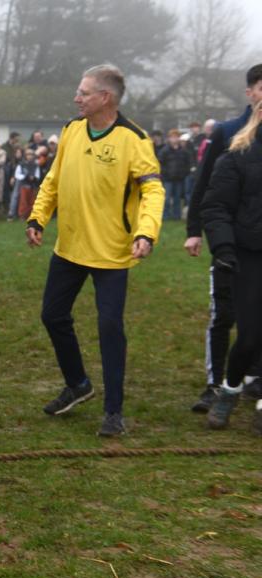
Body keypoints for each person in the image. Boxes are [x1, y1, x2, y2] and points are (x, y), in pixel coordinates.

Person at [26, 64, 163, 438]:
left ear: (106, 97)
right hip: (69, 247)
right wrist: (37, 219)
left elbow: (152, 190)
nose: (77, 98)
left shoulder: (134, 139)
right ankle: (78, 384)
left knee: (109, 328)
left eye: (84, 92)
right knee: (52, 316)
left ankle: (113, 411)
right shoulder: (72, 130)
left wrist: (146, 233)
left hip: (112, 253)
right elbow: (53, 179)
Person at [184, 63, 262, 412]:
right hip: (236, 241)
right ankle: (216, 385)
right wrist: (194, 230)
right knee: (226, 313)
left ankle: (252, 379)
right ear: (250, 91)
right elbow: (205, 185)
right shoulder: (230, 132)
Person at [202, 102, 262, 434]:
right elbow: (215, 206)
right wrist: (224, 247)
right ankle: (231, 388)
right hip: (248, 254)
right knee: (250, 335)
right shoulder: (237, 156)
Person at [159, 129, 194, 221]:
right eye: (172, 137)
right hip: (167, 179)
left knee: (177, 199)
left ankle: (176, 216)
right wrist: (164, 173)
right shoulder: (164, 150)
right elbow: (159, 163)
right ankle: (165, 216)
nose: (174, 139)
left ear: (179, 138)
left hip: (179, 179)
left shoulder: (184, 151)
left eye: (176, 137)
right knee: (166, 199)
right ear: (169, 138)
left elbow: (188, 163)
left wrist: (185, 173)